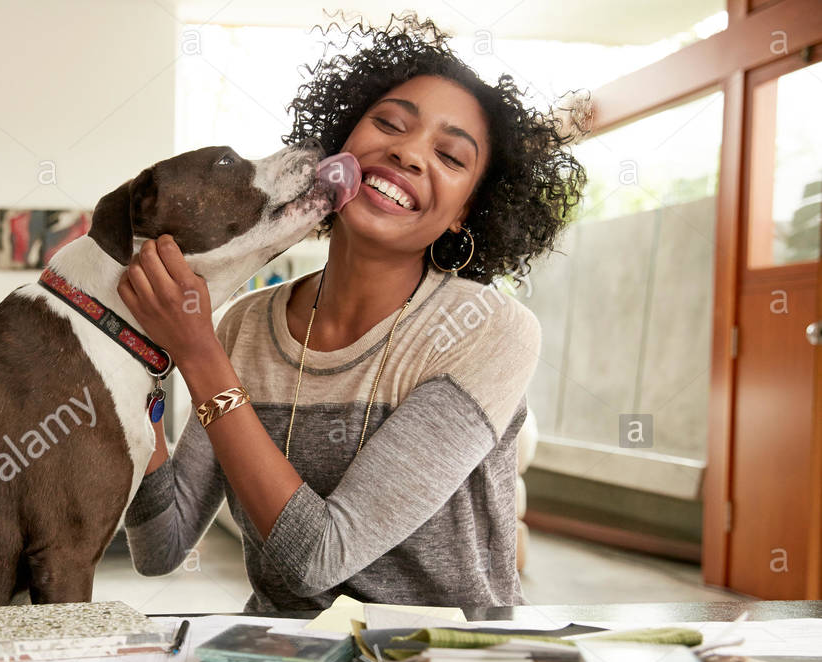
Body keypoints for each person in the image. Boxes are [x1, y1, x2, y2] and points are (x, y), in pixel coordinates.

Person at [118, 15, 587, 613]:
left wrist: (198, 354)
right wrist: (143, 361)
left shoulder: (490, 330)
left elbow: (319, 557)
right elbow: (161, 547)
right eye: (389, 124)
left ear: (468, 212)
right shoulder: (245, 325)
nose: (408, 152)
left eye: (449, 156)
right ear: (342, 148)